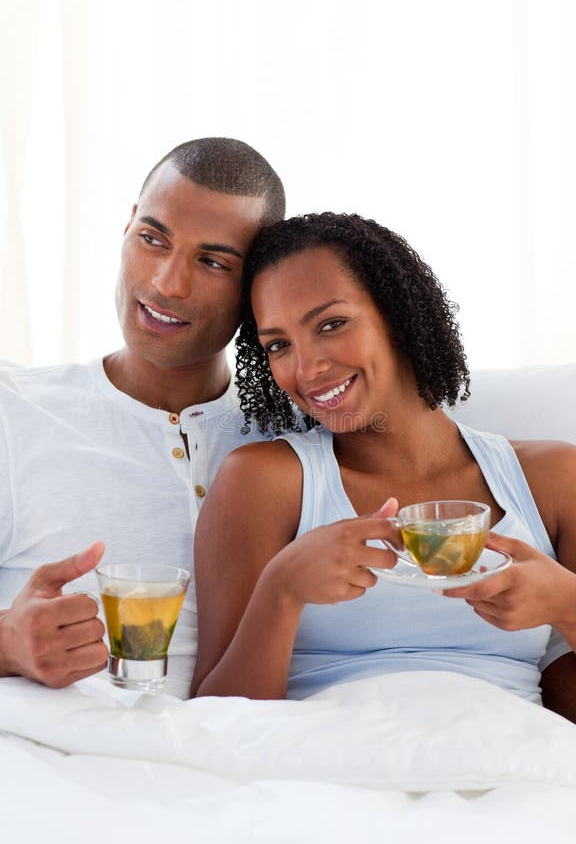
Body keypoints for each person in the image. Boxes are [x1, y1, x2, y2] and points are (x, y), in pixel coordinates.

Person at [191, 212, 576, 720]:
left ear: (397, 314)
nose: (306, 370)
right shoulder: (263, 482)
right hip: (328, 776)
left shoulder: (551, 480)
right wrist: (280, 592)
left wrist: (566, 604)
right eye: (279, 345)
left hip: (504, 773)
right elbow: (212, 722)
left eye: (331, 324)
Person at [0, 137, 285, 697]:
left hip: (246, 763)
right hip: (60, 766)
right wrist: (9, 643)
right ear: (127, 227)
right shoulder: (17, 409)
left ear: (257, 281)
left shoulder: (298, 428)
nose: (166, 284)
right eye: (153, 239)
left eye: (212, 261)